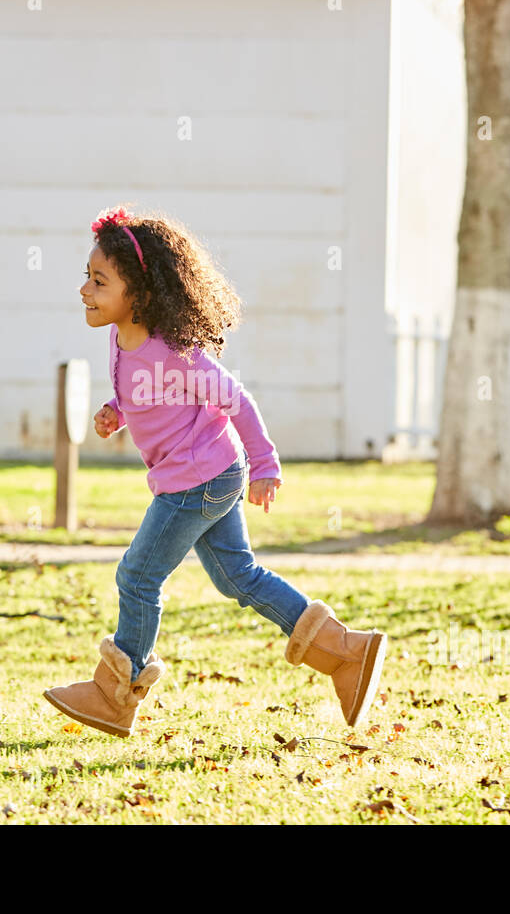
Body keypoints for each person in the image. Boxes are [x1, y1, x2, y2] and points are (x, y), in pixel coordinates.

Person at [43, 204, 387, 739]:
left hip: (198, 478)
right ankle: (346, 653)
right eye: (86, 278)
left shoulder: (174, 350)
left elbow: (235, 399)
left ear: (139, 292)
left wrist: (266, 464)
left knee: (137, 575)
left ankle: (116, 695)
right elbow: (141, 389)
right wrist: (118, 409)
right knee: (238, 578)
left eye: (99, 280)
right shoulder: (120, 338)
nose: (85, 290)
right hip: (206, 473)